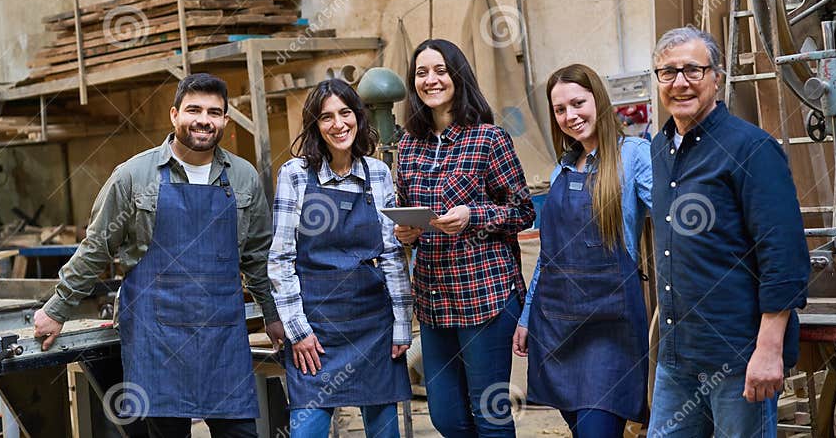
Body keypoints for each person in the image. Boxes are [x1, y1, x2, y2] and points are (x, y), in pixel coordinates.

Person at [33, 73, 283, 438]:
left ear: (225, 121)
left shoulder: (243, 178)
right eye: (194, 109)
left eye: (214, 112)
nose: (203, 119)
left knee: (241, 432)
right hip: (157, 336)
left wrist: (273, 315)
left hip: (222, 338)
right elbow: (96, 248)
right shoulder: (133, 175)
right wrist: (57, 309)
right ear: (174, 115)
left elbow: (258, 258)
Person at [647, 26, 810, 436]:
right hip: (677, 356)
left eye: (693, 70)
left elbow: (784, 255)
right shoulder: (660, 148)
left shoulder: (751, 149)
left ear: (717, 77)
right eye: (668, 72)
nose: (680, 83)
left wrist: (769, 351)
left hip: (737, 359)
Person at [394, 39, 535, 438]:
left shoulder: (489, 139)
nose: (430, 80)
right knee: (446, 416)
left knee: (488, 413)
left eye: (440, 70)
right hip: (434, 300)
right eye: (421, 72)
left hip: (485, 296)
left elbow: (523, 210)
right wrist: (406, 232)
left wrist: (475, 215)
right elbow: (407, 210)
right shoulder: (407, 145)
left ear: (457, 76)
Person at [512, 63, 651, 437]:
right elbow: (548, 256)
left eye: (578, 103)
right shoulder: (561, 170)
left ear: (598, 101)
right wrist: (527, 318)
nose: (570, 116)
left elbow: (676, 222)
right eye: (560, 110)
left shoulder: (635, 155)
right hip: (557, 323)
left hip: (611, 324)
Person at [268, 79, 412, 438]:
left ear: (358, 118)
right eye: (326, 117)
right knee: (307, 432)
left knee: (384, 432)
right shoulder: (296, 175)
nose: (338, 124)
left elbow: (392, 255)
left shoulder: (377, 174)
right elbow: (281, 259)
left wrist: (401, 323)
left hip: (372, 324)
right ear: (315, 125)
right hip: (316, 328)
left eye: (345, 113)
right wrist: (298, 331)